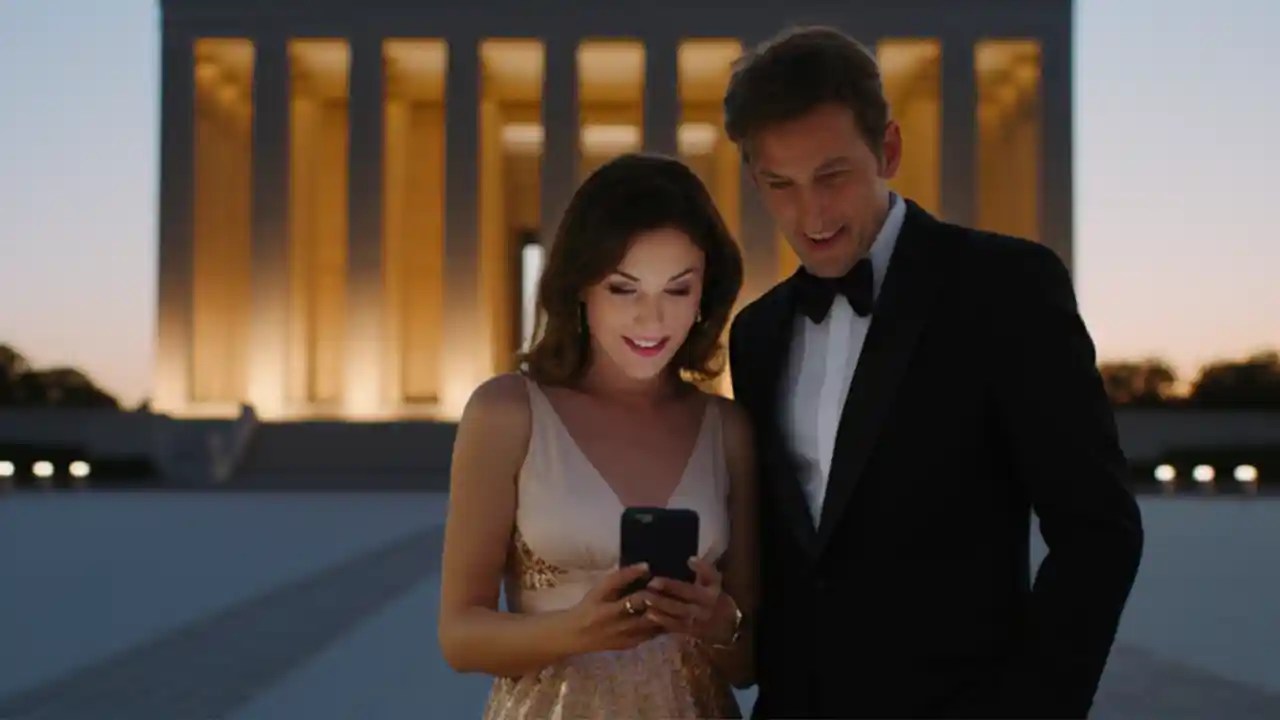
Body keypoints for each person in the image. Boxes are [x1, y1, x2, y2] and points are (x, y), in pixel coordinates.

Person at [722, 26, 1144, 719]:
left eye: (832, 176)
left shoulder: (1006, 286)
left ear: (887, 150)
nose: (811, 214)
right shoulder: (758, 332)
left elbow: (1099, 533)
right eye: (781, 185)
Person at [438, 153, 758, 719]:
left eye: (678, 290)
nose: (651, 319)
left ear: (705, 296)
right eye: (624, 288)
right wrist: (574, 631)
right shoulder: (508, 413)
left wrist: (718, 623)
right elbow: (459, 637)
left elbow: (749, 661)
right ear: (581, 288)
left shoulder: (727, 430)